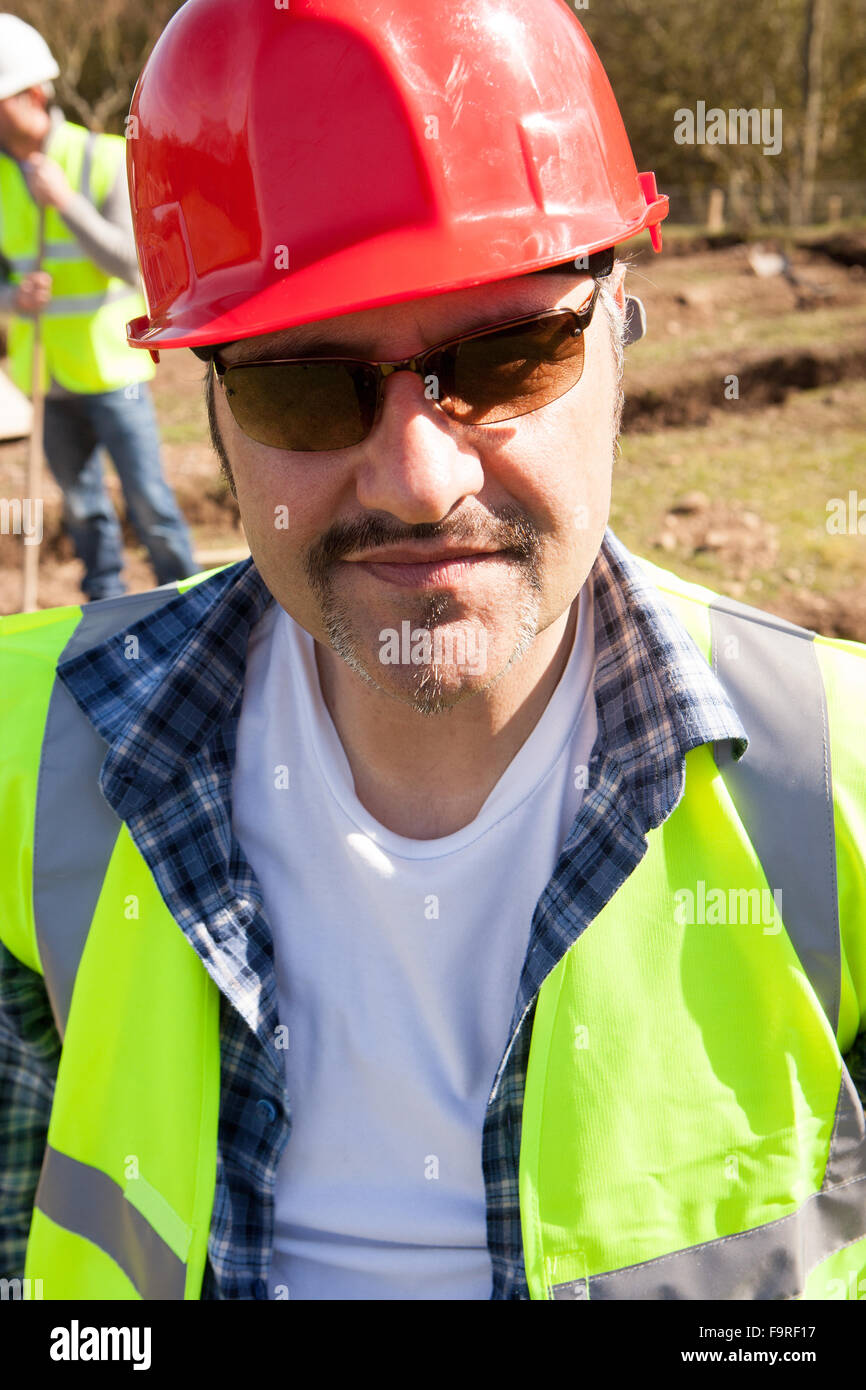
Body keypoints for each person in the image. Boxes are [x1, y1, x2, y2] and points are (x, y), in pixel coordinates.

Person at [1, 0, 864, 1303]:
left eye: (509, 356)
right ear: (214, 406)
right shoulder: (31, 763)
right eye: (306, 378)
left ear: (619, 333)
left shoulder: (837, 780)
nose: (415, 475)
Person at [0, 13, 198, 601]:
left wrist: (65, 205)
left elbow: (131, 264)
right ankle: (105, 612)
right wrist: (13, 297)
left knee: (149, 500)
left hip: (113, 374)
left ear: (35, 92)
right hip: (46, 376)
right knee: (84, 509)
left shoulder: (105, 159)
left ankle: (185, 600)